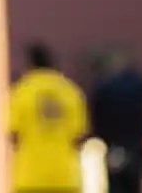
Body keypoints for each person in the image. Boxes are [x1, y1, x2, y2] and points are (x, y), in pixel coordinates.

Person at [90, 47, 142, 193]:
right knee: (136, 181)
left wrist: (100, 135)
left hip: (115, 142)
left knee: (116, 183)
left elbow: (96, 115)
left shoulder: (105, 87)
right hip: (138, 140)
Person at [8, 42, 89, 193]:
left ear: (30, 64)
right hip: (66, 176)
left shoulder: (21, 91)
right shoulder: (70, 91)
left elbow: (13, 134)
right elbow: (80, 135)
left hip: (30, 177)